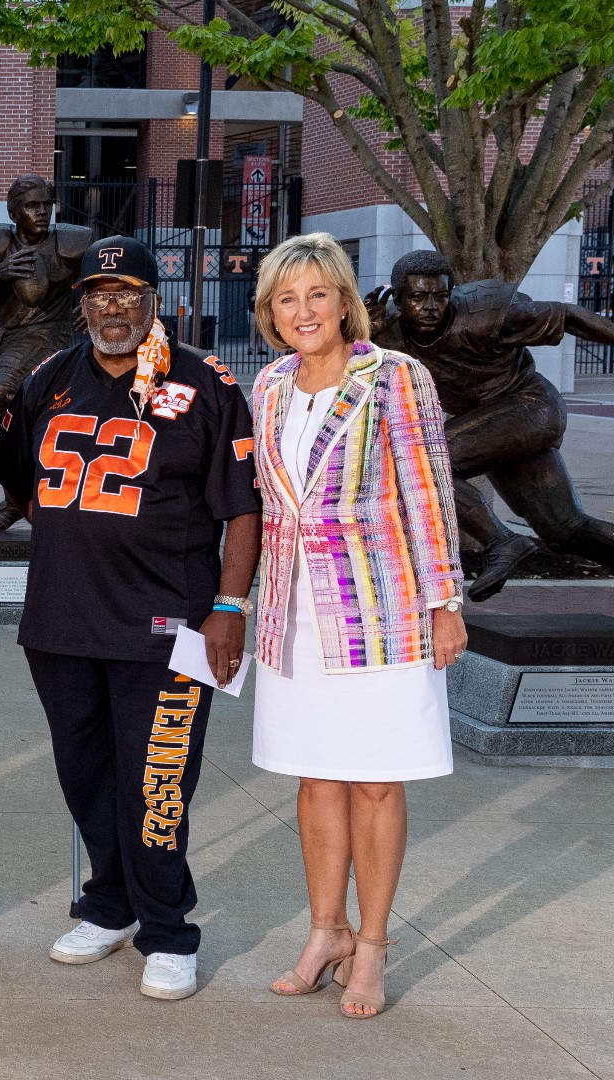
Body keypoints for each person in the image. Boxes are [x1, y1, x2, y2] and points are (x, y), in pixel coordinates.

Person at [0, 235, 262, 1002]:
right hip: (63, 620)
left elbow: (242, 508)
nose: (113, 306)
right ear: (83, 304)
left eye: (128, 293)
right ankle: (109, 904)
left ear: (155, 299)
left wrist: (229, 609)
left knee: (159, 783)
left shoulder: (206, 381)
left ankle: (168, 929)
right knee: (87, 776)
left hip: (167, 626)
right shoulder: (50, 376)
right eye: (99, 294)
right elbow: (17, 472)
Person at [251, 233, 466, 1020]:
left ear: (344, 302)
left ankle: (371, 945)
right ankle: (326, 932)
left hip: (382, 612)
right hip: (294, 618)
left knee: (376, 781)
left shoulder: (395, 378)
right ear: (270, 314)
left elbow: (428, 491)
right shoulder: (270, 385)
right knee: (317, 781)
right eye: (286, 299)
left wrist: (445, 602)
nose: (302, 312)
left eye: (317, 295)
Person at [367, 249, 614, 598]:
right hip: (489, 425)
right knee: (565, 530)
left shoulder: (486, 313)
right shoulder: (382, 331)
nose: (431, 306)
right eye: (419, 297)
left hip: (531, 407)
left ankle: (503, 543)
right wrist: (359, 336)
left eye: (440, 295)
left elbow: (569, 316)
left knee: (421, 459)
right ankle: (506, 542)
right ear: (397, 298)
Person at [0, 174, 92, 531]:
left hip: (62, 339)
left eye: (47, 204)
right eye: (32, 205)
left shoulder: (72, 242)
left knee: (26, 405)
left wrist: (92, 301)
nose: (42, 212)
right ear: (14, 212)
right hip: (15, 338)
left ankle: (36, 499)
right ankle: (9, 496)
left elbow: (109, 271)